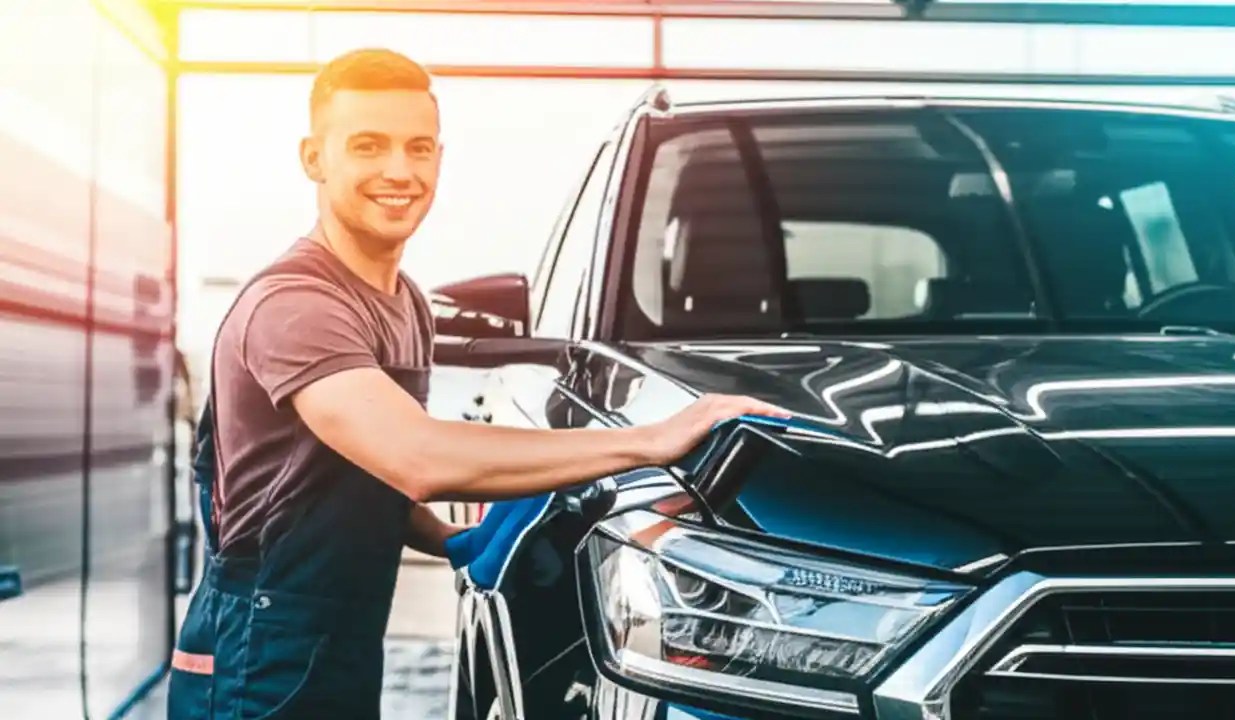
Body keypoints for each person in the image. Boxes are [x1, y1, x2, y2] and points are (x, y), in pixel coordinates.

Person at [166, 47, 787, 720]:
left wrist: (454, 541)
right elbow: (416, 457)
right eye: (368, 146)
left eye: (419, 147)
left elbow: (370, 480)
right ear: (314, 158)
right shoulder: (296, 307)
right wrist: (651, 442)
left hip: (337, 639)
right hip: (257, 649)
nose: (399, 171)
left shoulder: (404, 302)